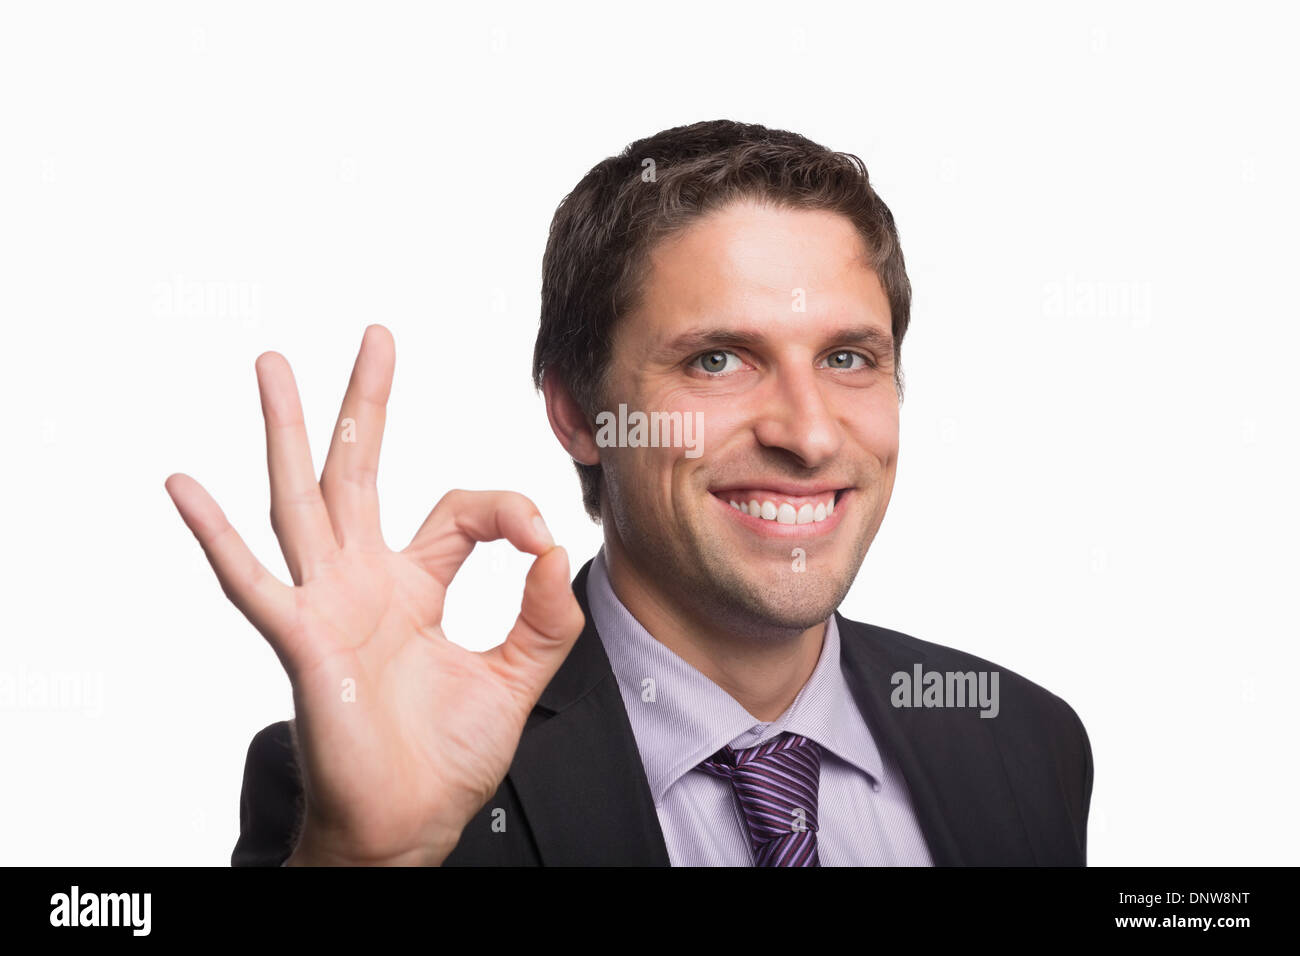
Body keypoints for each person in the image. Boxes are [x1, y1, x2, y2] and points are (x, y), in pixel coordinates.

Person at [166, 120, 1092, 866]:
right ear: (576, 413)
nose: (807, 435)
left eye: (849, 358)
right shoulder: (373, 788)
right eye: (719, 360)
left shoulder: (1023, 742)